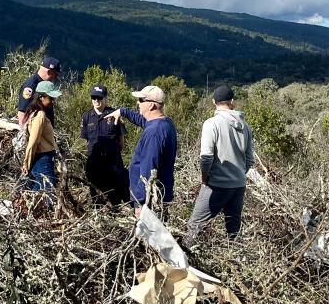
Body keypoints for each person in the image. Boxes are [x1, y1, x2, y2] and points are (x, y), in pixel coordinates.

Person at [186, 85, 255, 243]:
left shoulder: (211, 124)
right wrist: (238, 174)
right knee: (233, 231)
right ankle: (236, 261)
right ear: (232, 101)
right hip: (238, 185)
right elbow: (250, 159)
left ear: (213, 102)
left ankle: (182, 263)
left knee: (195, 225)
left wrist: (205, 178)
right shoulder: (246, 127)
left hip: (216, 184)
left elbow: (206, 157)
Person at [108, 85, 177, 216]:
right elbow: (144, 121)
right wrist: (123, 111)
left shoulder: (154, 133)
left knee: (150, 235)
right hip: (161, 194)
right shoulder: (165, 123)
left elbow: (148, 170)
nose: (137, 103)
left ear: (151, 105)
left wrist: (140, 203)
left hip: (150, 200)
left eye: (140, 100)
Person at [81, 84, 129, 205]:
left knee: (115, 190)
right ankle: (99, 213)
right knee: (96, 191)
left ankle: (116, 213)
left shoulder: (114, 114)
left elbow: (121, 140)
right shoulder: (87, 116)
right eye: (94, 98)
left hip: (112, 160)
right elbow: (87, 139)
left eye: (99, 98)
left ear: (105, 98)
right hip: (94, 161)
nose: (96, 101)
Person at [21, 80, 62, 192]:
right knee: (47, 192)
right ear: (41, 97)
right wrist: (27, 163)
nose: (52, 101)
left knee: (38, 192)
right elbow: (33, 142)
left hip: (41, 159)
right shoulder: (40, 115)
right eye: (50, 98)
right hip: (44, 159)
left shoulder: (34, 113)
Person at [17, 56, 61, 128]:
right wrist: (26, 133)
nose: (56, 78)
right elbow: (22, 112)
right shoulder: (31, 85)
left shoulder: (46, 85)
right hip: (36, 131)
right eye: (55, 74)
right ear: (49, 72)